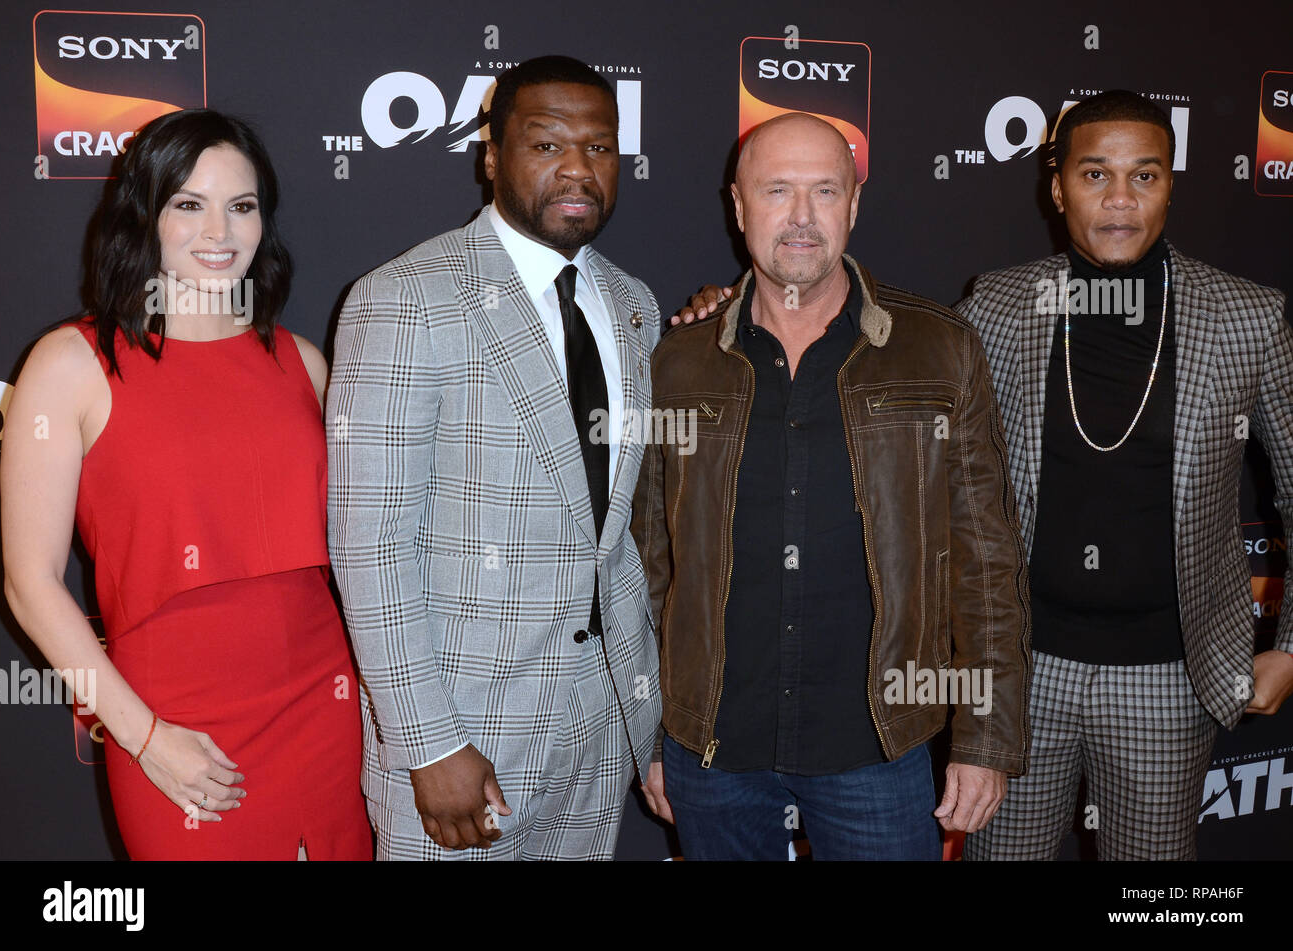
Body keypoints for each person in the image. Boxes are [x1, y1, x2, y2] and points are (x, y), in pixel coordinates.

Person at [631, 112, 1030, 860]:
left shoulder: (941, 349)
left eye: (825, 191)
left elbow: (985, 562)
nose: (802, 217)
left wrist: (985, 733)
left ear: (855, 205)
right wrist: (651, 728)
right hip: (711, 749)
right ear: (738, 205)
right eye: (777, 190)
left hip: (878, 746)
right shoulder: (678, 362)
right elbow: (648, 568)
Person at [1, 109, 371, 859]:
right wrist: (143, 736)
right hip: (171, 721)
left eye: (242, 206)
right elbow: (30, 582)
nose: (221, 232)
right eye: (189, 204)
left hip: (326, 712)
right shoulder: (71, 364)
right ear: (145, 214)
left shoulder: (302, 362)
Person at [327, 55, 662, 860]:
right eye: (547, 145)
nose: (578, 167)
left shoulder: (635, 305)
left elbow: (614, 535)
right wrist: (429, 743)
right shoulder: (405, 298)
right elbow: (369, 546)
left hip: (600, 726)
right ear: (490, 155)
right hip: (462, 739)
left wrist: (642, 713)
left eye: (600, 147)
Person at [954, 90, 1293, 860]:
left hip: (1172, 678)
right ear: (1056, 185)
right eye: (1095, 174)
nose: (1119, 200)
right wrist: (746, 306)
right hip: (1020, 670)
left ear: (1171, 183)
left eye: (1144, 176)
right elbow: (894, 395)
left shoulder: (1246, 317)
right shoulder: (999, 307)